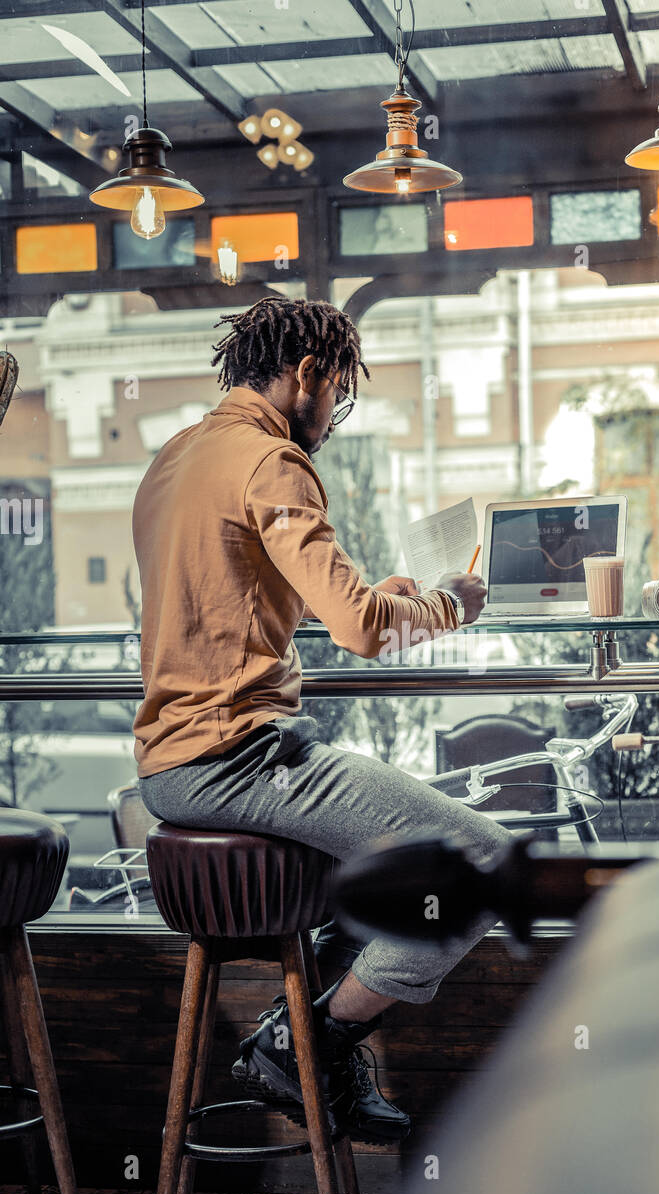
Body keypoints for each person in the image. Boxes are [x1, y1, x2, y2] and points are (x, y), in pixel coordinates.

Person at [133, 296, 513, 1142]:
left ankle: (306, 1039)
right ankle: (306, 1043)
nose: (332, 415)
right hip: (236, 758)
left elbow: (227, 593)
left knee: (382, 864)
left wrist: (376, 594)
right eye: (338, 391)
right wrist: (451, 605)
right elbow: (364, 633)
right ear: (308, 372)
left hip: (169, 763)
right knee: (482, 859)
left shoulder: (176, 456)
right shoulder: (273, 460)